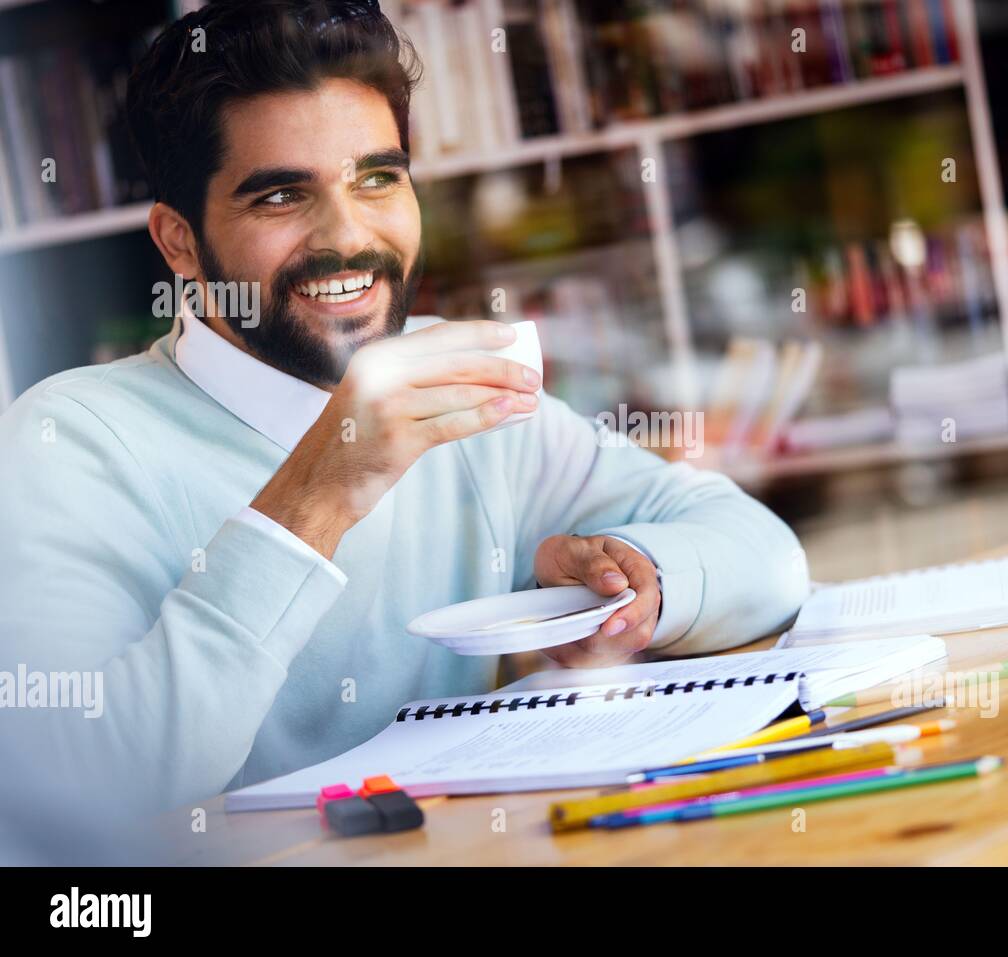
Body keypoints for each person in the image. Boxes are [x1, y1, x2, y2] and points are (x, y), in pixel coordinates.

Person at [0, 0, 808, 812]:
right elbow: (85, 790)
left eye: (377, 178)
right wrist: (316, 494)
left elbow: (767, 558)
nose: (347, 237)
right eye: (281, 197)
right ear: (179, 242)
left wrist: (637, 580)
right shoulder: (69, 441)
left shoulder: (452, 377)